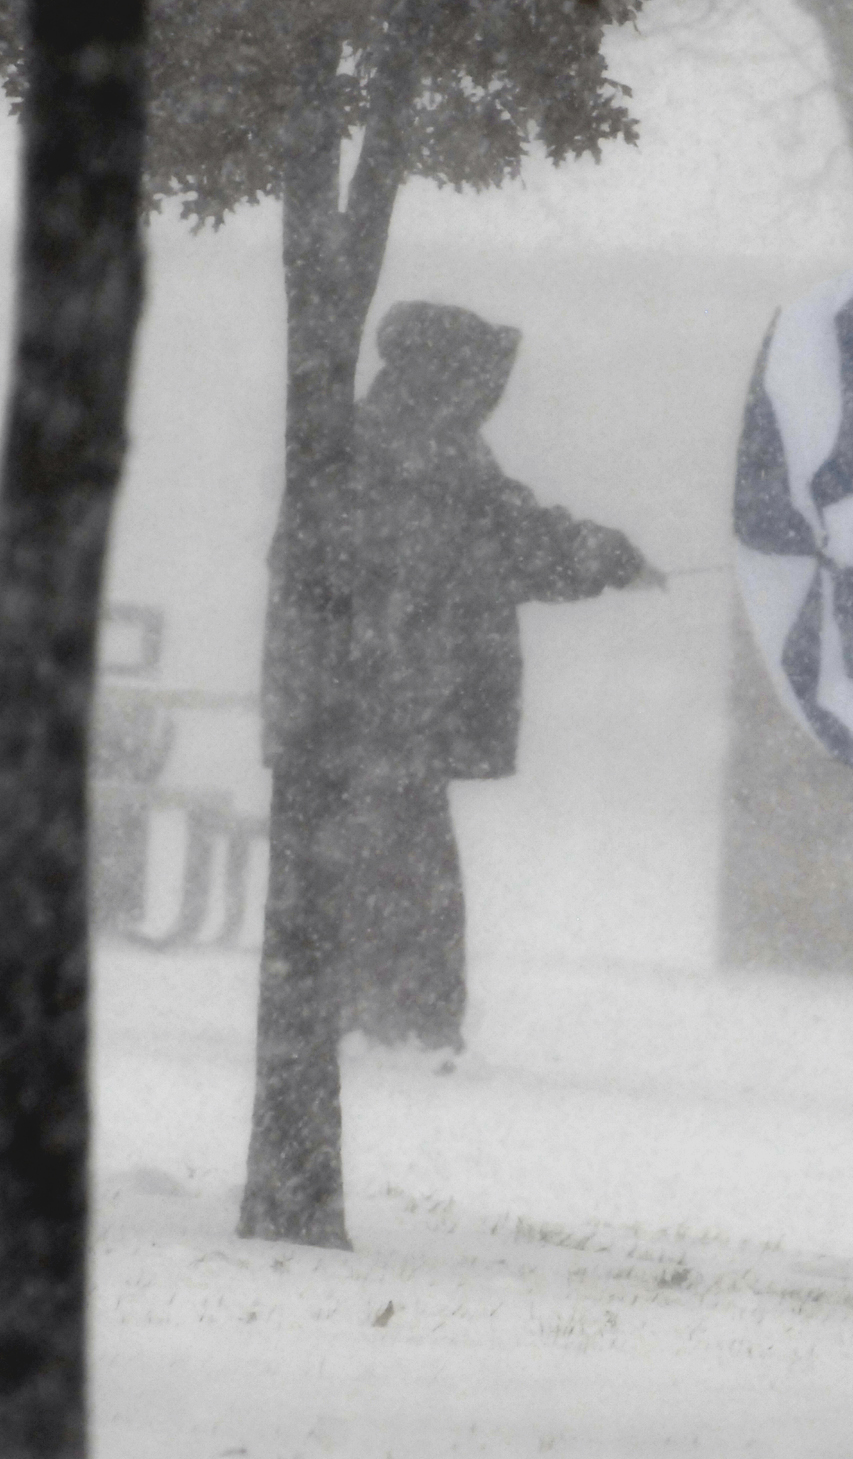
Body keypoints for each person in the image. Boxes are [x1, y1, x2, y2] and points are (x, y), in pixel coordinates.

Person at [267, 300, 662, 1059]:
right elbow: (500, 545)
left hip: (368, 708)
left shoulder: (408, 444)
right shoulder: (409, 453)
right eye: (477, 380)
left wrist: (607, 557)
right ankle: (393, 1024)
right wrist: (603, 558)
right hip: (383, 708)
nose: (487, 396)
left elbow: (502, 535)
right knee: (397, 871)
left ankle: (376, 1018)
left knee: (372, 866)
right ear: (442, 377)